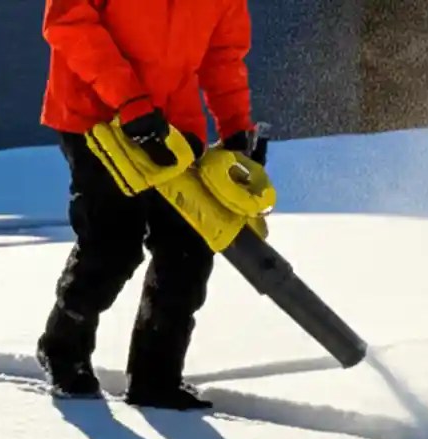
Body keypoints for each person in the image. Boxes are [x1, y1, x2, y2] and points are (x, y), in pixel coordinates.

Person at [35, 0, 261, 410]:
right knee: (113, 243)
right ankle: (63, 348)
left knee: (188, 247)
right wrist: (130, 100)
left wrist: (236, 128)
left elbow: (221, 55)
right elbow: (68, 21)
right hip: (97, 114)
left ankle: (155, 378)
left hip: (172, 123)